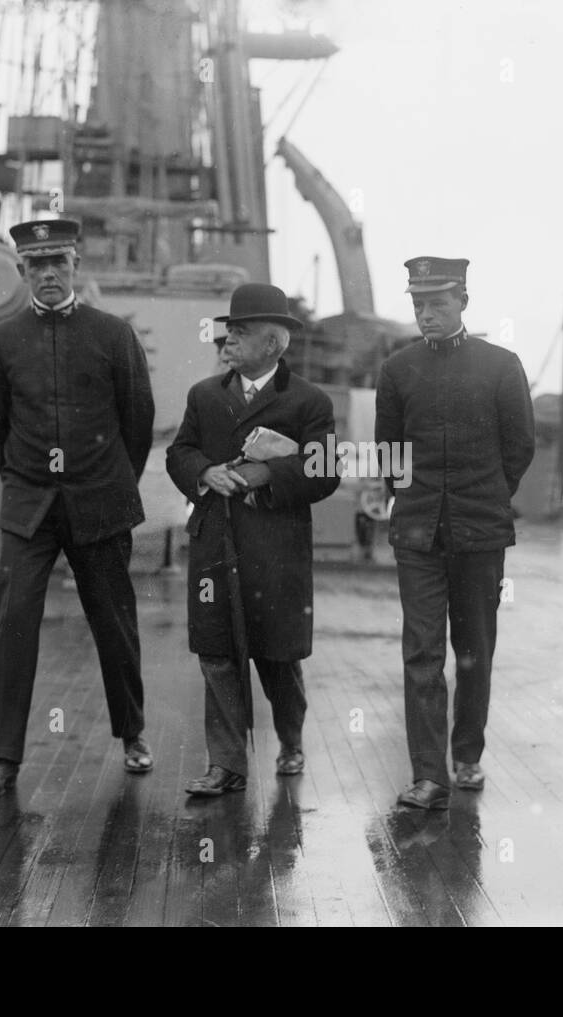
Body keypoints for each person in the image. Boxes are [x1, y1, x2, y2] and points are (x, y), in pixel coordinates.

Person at [0, 218, 155, 798]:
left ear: (76, 267)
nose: (48, 275)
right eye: (36, 266)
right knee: (14, 623)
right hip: (30, 508)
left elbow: (138, 420)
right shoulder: (1, 343)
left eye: (59, 264)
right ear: (22, 272)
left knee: (114, 622)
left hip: (99, 501)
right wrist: (24, 477)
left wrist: (109, 479)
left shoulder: (113, 335)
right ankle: (3, 758)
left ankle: (133, 735)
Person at [166, 283, 340, 797]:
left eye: (239, 334)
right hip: (215, 542)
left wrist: (269, 474)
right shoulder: (204, 395)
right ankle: (226, 765)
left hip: (276, 547)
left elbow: (325, 472)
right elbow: (179, 453)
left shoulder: (310, 401)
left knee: (277, 653)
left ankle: (290, 741)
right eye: (228, 332)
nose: (228, 341)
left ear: (272, 343)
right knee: (216, 652)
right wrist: (204, 472)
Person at [375, 256, 536, 809]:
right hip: (417, 536)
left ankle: (466, 755)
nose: (426, 314)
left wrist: (486, 497)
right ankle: (428, 775)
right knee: (421, 653)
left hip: (479, 536)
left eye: (437, 304)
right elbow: (390, 452)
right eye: (418, 304)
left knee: (474, 652)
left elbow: (520, 448)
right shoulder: (398, 371)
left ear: (463, 302)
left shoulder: (500, 366)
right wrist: (413, 504)